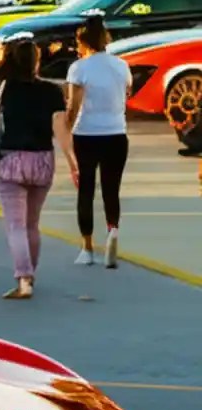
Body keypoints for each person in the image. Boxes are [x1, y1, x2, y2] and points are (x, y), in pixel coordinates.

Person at [0, 40, 76, 299]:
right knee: (32, 224)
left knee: (16, 225)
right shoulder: (52, 91)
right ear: (37, 62)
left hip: (11, 161)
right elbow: (60, 129)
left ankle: (24, 279)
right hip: (43, 160)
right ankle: (31, 274)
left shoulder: (4, 88)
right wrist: (73, 162)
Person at [65, 15, 131, 268]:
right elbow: (127, 91)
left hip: (87, 134)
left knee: (86, 191)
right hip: (116, 134)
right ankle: (112, 229)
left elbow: (73, 107)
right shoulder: (121, 65)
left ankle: (87, 248)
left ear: (82, 42)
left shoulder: (79, 68)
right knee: (111, 189)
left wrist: (66, 133)